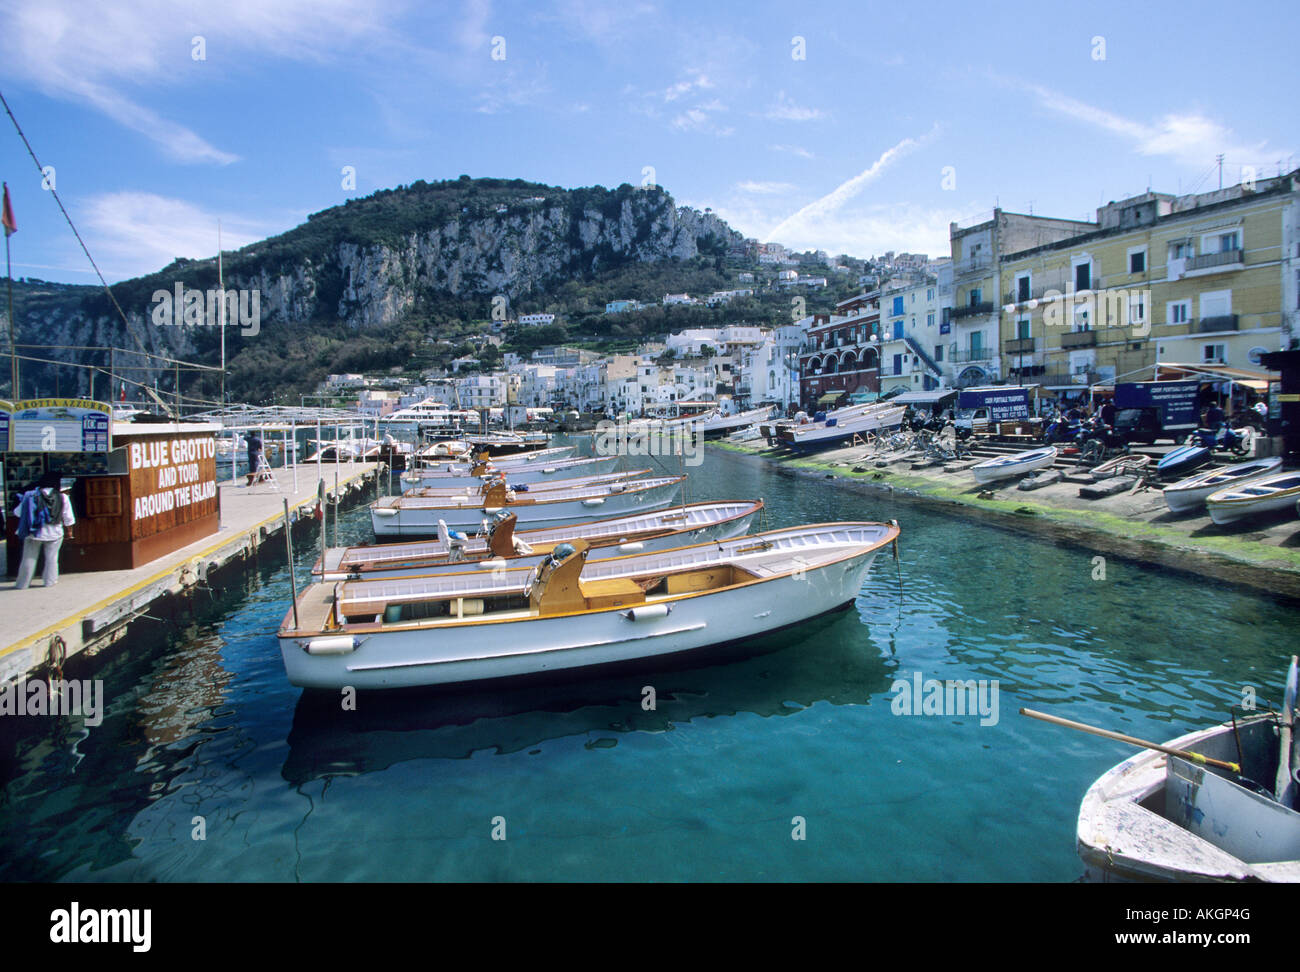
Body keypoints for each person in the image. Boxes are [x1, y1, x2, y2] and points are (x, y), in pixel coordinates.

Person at [12, 473, 75, 589]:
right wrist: (69, 532)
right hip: (55, 532)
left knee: (28, 558)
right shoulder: (63, 497)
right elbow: (68, 518)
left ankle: (23, 584)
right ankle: (49, 582)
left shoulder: (30, 496)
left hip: (33, 533)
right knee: (52, 558)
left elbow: (17, 513)